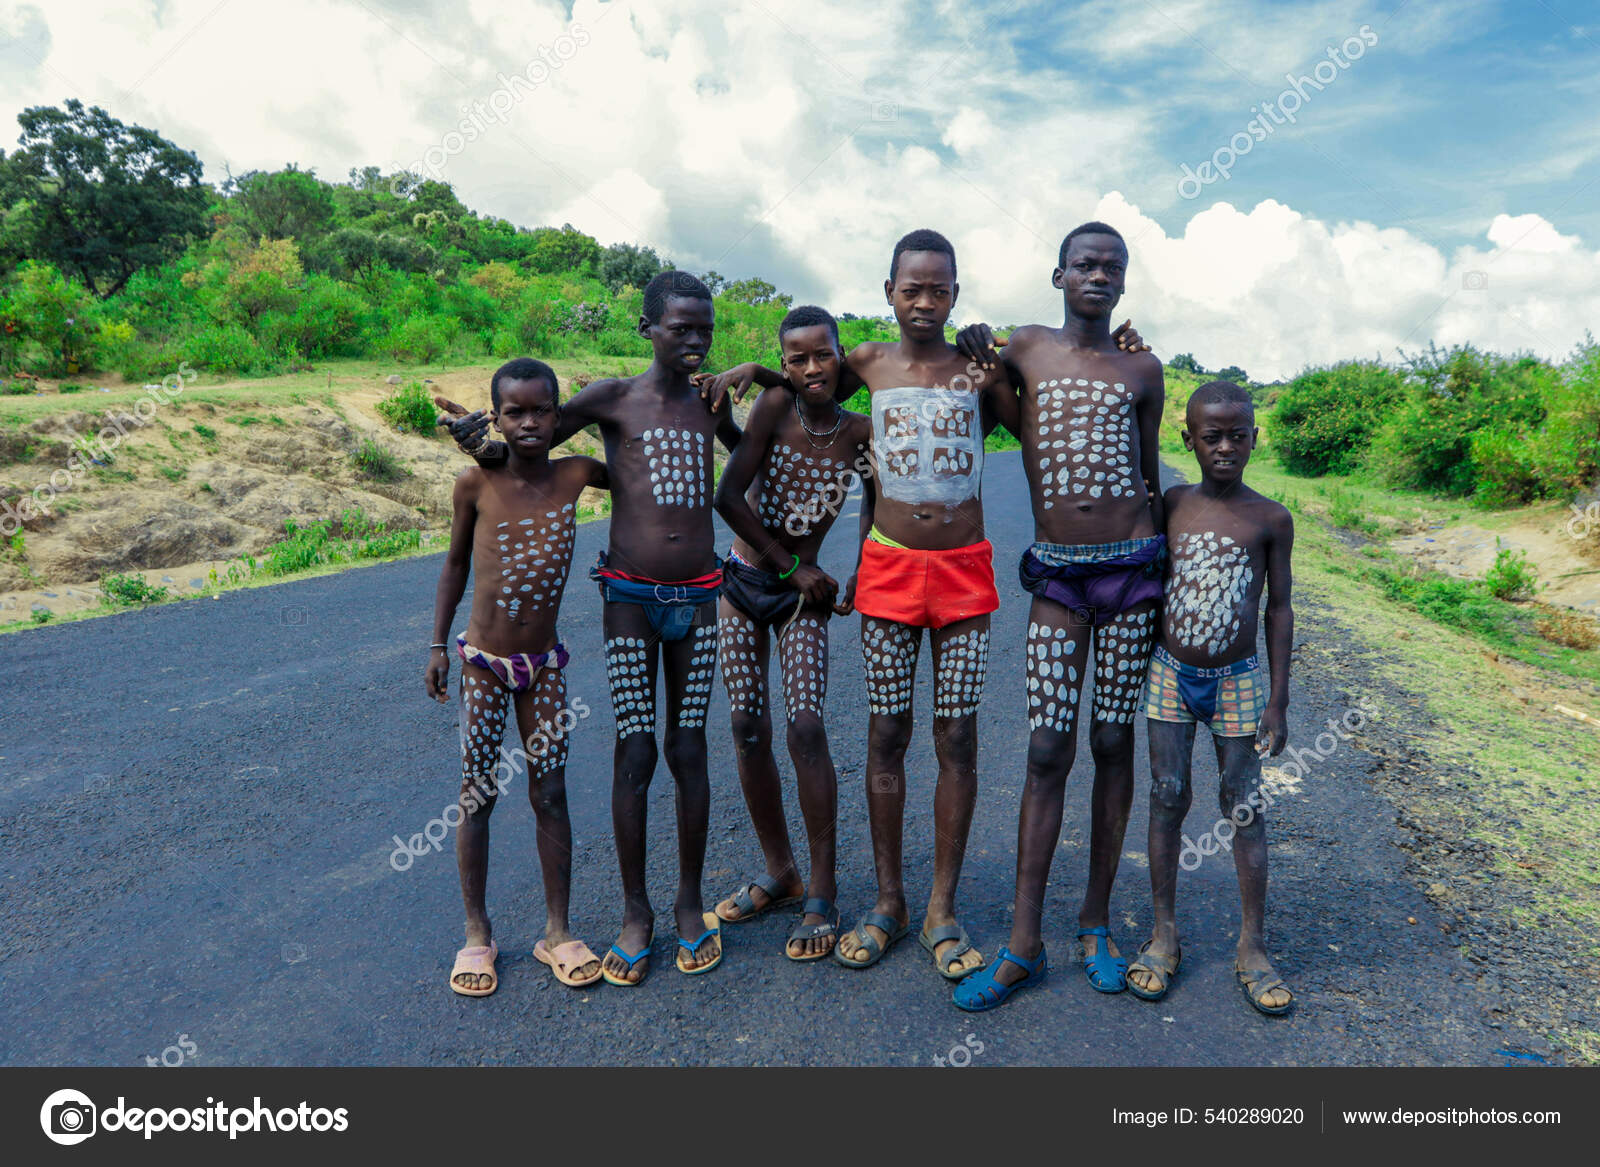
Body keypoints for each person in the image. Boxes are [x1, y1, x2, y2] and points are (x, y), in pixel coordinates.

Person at [706, 229, 1021, 981]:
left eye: (938, 287)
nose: (924, 300)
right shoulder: (867, 363)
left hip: (964, 571)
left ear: (956, 290)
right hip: (886, 569)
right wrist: (755, 367)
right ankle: (889, 901)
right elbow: (803, 394)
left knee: (957, 737)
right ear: (888, 292)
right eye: (910, 287)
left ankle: (941, 905)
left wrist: (996, 365)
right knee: (886, 735)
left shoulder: (974, 368)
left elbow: (1022, 423)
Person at [436, 271, 740, 985]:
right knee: (634, 751)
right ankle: (637, 914)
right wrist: (480, 445)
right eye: (680, 328)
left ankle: (690, 905)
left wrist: (750, 373)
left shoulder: (709, 398)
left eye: (706, 330)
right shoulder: (608, 398)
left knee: (689, 748)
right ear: (647, 329)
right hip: (629, 597)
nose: (694, 341)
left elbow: (741, 449)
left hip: (700, 598)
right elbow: (531, 444)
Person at [950, 221, 1166, 1010]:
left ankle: (1097, 922)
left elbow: (1151, 475)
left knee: (1113, 741)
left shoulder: (1142, 367)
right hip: (1059, 579)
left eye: (1112, 267)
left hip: (1133, 577)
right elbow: (1000, 411)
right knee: (1046, 749)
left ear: (1123, 278)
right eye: (1085, 264)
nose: (1098, 276)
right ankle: (1022, 942)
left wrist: (1174, 577)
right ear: (1058, 273)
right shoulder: (1027, 347)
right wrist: (979, 352)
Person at [426, 358, 610, 995]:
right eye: (515, 413)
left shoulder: (578, 475)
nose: (529, 422)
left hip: (545, 668)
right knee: (476, 795)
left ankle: (557, 932)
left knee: (551, 794)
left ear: (559, 417)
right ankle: (476, 933)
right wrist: (436, 644)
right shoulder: (474, 485)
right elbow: (453, 566)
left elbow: (639, 479)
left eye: (541, 411)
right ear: (496, 417)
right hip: (481, 665)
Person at [706, 304, 874, 961]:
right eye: (794, 358)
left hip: (802, 600)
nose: (810, 367)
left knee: (807, 725)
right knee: (748, 727)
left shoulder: (860, 431)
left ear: (841, 358)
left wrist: (860, 571)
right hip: (746, 586)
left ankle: (822, 889)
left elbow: (875, 504)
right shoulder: (776, 410)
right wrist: (792, 565)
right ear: (784, 363)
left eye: (821, 355)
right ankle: (781, 870)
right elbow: (728, 496)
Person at [1125, 380, 1295, 1015]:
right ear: (1188, 439)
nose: (1225, 448)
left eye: (1238, 436)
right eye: (1211, 436)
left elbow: (1279, 609)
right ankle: (1163, 933)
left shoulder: (1269, 518)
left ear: (1255, 437)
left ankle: (1253, 945)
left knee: (1243, 804)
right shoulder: (1171, 503)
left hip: (1239, 679)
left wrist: (1277, 699)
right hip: (1170, 671)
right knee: (1167, 794)